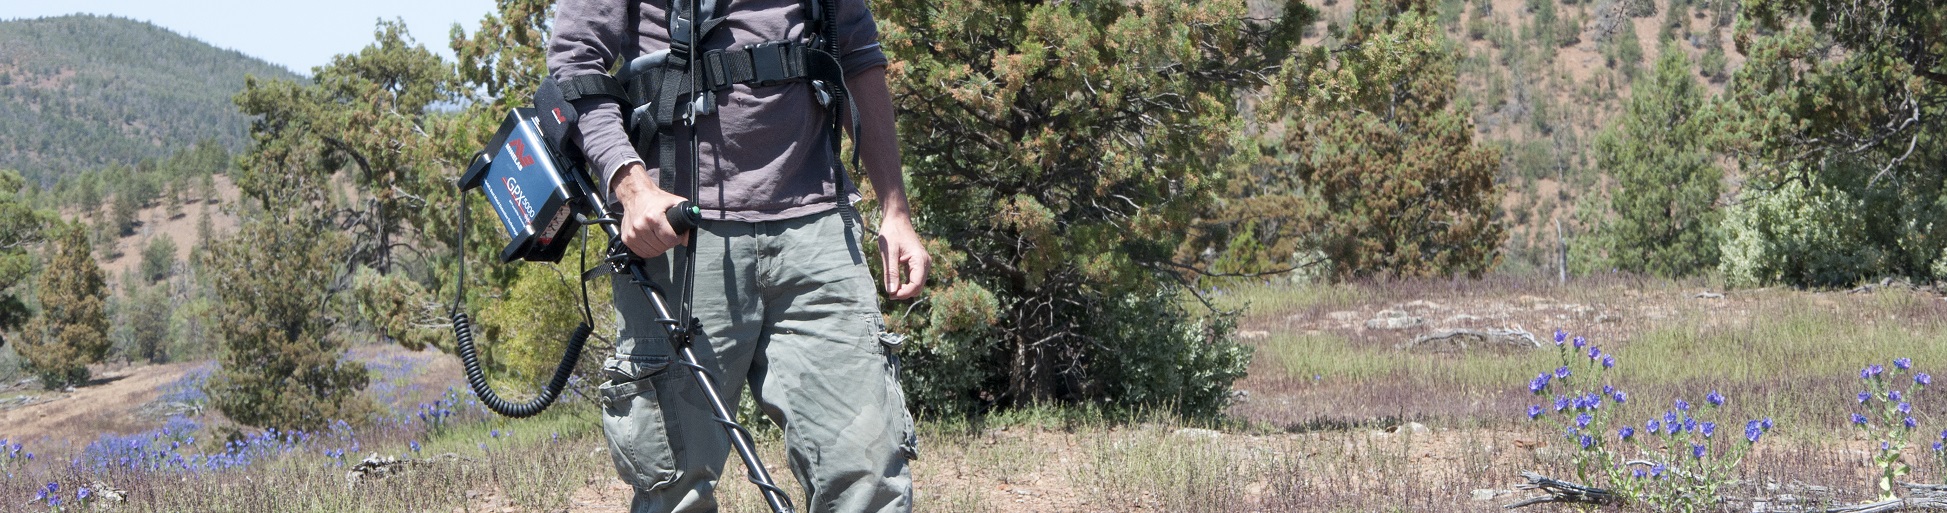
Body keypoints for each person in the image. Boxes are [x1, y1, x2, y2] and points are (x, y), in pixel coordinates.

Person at [547, 0, 928, 512]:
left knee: (869, 474)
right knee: (674, 489)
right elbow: (575, 63)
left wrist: (894, 208)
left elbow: (857, 51)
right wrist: (632, 187)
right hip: (678, 233)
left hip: (815, 227)